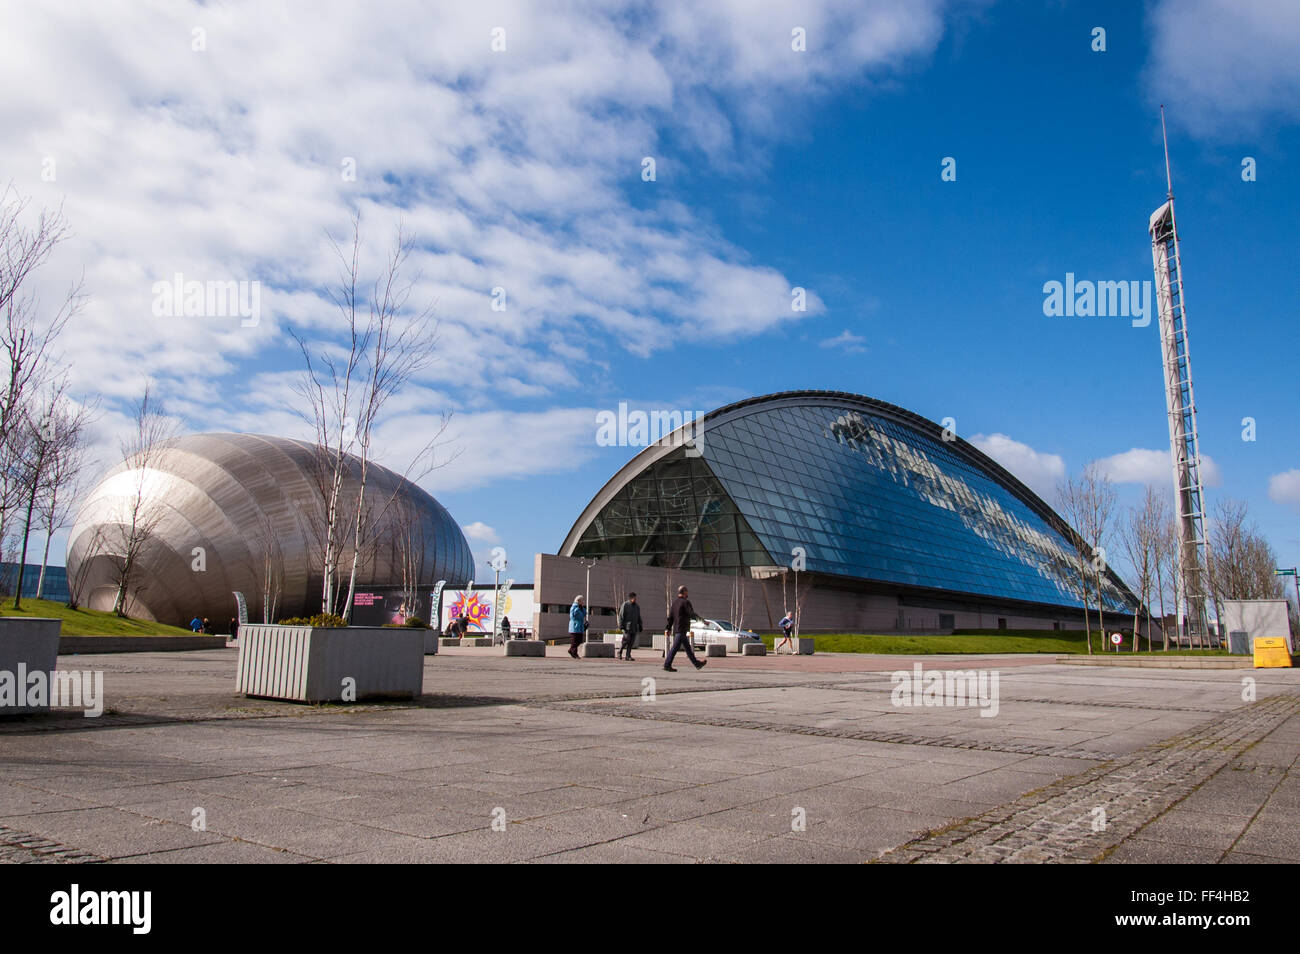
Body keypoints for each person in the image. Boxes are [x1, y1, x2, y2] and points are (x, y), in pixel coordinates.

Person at [664, 585, 705, 673]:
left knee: (688, 648)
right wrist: (702, 620)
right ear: (684, 592)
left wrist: (668, 628)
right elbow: (691, 614)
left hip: (677, 629)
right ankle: (667, 665)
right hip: (682, 629)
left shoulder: (674, 603)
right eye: (687, 592)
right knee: (675, 648)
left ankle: (697, 664)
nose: (688, 593)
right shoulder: (685, 602)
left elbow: (670, 617)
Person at [618, 592, 642, 661]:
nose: (635, 599)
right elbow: (621, 616)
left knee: (631, 642)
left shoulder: (637, 606)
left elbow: (638, 617)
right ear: (630, 598)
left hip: (634, 627)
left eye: (635, 597)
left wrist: (640, 625)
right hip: (627, 627)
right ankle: (619, 652)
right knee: (625, 641)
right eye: (634, 597)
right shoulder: (625, 605)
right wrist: (621, 625)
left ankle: (628, 655)